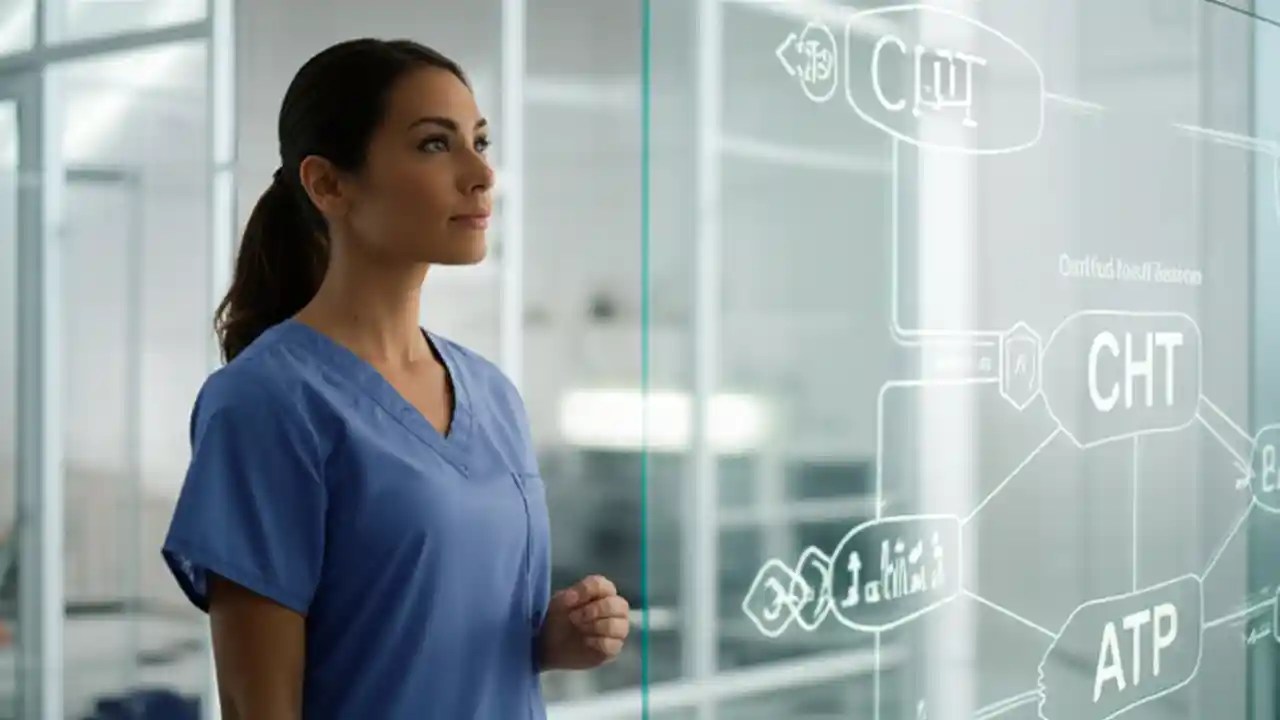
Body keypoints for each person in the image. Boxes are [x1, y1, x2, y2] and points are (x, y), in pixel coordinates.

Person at [160, 38, 630, 719]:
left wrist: (547, 639)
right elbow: (257, 705)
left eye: (481, 141)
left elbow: (423, 632)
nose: (481, 174)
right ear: (328, 184)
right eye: (436, 145)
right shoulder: (266, 401)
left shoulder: (493, 395)